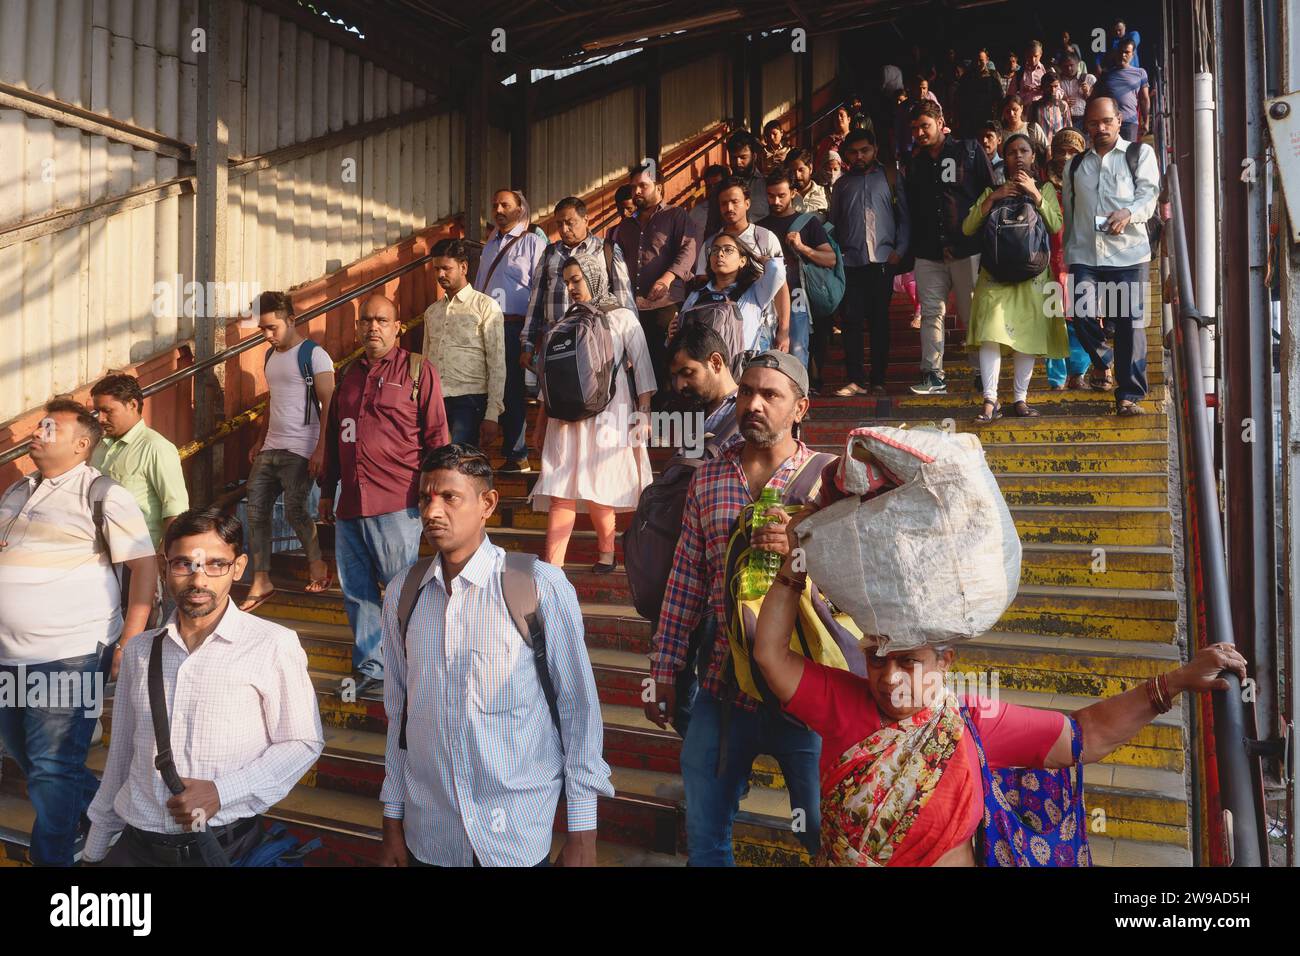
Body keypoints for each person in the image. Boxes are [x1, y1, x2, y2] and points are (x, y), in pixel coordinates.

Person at [751, 509, 1250, 866]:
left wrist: (1178, 680)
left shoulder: (971, 721)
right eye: (877, 660)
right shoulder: (842, 701)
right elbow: (770, 655)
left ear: (946, 661)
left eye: (909, 662)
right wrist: (795, 566)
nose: (889, 678)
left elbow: (1086, 735)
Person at [377, 443, 614, 867]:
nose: (432, 511)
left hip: (515, 834)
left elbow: (579, 711)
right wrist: (392, 822)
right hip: (430, 834)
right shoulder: (402, 594)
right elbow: (400, 717)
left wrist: (583, 835)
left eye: (450, 497)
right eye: (424, 497)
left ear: (487, 503)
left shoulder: (538, 585)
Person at [647, 351, 828, 866]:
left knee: (820, 829)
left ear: (800, 408)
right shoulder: (709, 479)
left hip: (806, 695)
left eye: (771, 395)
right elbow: (686, 579)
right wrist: (664, 668)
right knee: (706, 833)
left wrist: (801, 558)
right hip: (724, 689)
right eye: (747, 391)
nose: (754, 403)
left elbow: (853, 596)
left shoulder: (826, 483)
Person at [83, 508, 324, 866]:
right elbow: (120, 757)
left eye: (215, 564)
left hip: (220, 848)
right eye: (184, 564)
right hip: (136, 847)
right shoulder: (140, 651)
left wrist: (221, 792)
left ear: (238, 566)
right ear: (165, 568)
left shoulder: (272, 644)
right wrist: (94, 851)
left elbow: (302, 741)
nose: (199, 580)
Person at [0, 399, 157, 866]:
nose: (39, 432)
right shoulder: (15, 490)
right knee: (29, 755)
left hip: (70, 651)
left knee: (50, 769)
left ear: (82, 444)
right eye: (39, 424)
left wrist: (130, 637)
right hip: (9, 654)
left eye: (52, 428)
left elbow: (144, 565)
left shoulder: (104, 493)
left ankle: (57, 862)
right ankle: (109, 812)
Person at [320, 293, 450, 692]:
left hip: (397, 503)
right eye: (365, 321)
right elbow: (334, 438)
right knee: (357, 593)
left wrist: (437, 496)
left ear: (397, 327)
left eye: (381, 320)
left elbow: (436, 438)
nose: (372, 327)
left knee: (400, 592)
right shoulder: (349, 376)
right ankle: (372, 668)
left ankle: (415, 670)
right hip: (350, 504)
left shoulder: (417, 371)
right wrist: (328, 490)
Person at [529, 253, 656, 571]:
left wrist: (645, 413)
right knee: (561, 490)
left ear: (595, 276)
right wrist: (540, 424)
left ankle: (606, 553)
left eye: (577, 279)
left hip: (609, 415)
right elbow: (549, 380)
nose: (572, 287)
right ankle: (552, 566)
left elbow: (642, 369)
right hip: (565, 420)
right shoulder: (564, 322)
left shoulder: (623, 317)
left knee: (600, 485)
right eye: (567, 282)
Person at [1063, 96, 1160, 416]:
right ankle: (1103, 359)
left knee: (1130, 322)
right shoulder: (1075, 164)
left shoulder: (1139, 153)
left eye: (1106, 121)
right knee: (1081, 312)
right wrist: (1068, 253)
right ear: (1085, 126)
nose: (1100, 128)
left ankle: (1129, 395)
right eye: (1093, 123)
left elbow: (1149, 195)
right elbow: (1069, 209)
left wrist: (1129, 212)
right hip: (1085, 252)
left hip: (1129, 253)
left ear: (1120, 120)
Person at [962, 132, 1068, 422]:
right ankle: (989, 400)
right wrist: (994, 197)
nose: (1018, 156)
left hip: (1033, 275)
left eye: (1024, 150)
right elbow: (968, 228)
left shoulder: (1045, 188)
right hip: (994, 276)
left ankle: (1020, 399)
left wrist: (1034, 193)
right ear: (1004, 158)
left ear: (1033, 156)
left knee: (1028, 337)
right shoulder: (991, 190)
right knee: (989, 335)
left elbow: (1056, 225)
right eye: (1011, 152)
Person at [241, 291, 335, 610]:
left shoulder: (314, 355)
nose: (267, 336)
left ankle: (317, 565)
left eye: (272, 328)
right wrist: (258, 439)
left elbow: (329, 404)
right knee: (255, 511)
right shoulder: (271, 356)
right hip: (271, 446)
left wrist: (321, 449)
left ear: (291, 320)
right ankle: (261, 579)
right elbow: (273, 399)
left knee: (295, 509)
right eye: (262, 330)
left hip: (302, 446)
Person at [903, 100, 996, 395]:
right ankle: (933, 375)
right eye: (915, 128)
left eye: (924, 126)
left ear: (940, 121)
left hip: (967, 248)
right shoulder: (914, 163)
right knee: (931, 312)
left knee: (972, 315)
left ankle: (983, 374)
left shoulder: (967, 150)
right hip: (928, 251)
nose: (919, 132)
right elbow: (913, 209)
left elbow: (990, 193)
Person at [827, 128, 910, 396]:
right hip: (850, 263)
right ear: (845, 155)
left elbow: (905, 218)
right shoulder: (841, 185)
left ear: (874, 149)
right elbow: (834, 222)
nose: (859, 156)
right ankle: (855, 379)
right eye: (853, 152)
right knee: (850, 321)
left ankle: (878, 380)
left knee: (879, 321)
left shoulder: (890, 177)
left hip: (883, 261)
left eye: (864, 150)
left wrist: (900, 250)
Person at [612, 160, 701, 401]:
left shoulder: (676, 215)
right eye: (633, 188)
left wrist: (667, 277)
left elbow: (689, 249)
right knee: (638, 368)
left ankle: (669, 429)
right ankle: (645, 427)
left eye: (643, 185)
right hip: (632, 309)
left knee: (668, 366)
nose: (637, 191)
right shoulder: (624, 227)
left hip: (666, 305)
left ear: (659, 187)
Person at [475, 188, 546, 473]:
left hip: (516, 326)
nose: (499, 210)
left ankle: (517, 455)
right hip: (488, 326)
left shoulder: (532, 243)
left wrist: (535, 333)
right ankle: (488, 452)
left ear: (521, 209)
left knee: (511, 389)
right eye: (495, 205)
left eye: (505, 204)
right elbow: (480, 286)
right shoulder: (490, 245)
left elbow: (541, 289)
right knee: (490, 388)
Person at [89, 374, 189, 553]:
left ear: (132, 405)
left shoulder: (155, 447)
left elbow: (176, 507)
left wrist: (163, 554)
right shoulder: (99, 446)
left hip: (138, 554)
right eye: (98, 411)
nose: (100, 419)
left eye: (108, 411)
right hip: (99, 552)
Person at [421, 238, 505, 447]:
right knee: (435, 464)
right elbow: (425, 362)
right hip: (434, 401)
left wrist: (492, 414)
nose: (440, 274)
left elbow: (497, 362)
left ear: (464, 267)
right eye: (437, 269)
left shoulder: (486, 306)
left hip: (470, 400)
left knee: (461, 467)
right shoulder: (432, 312)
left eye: (446, 268)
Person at [697, 177, 791, 353]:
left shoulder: (765, 238)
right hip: (718, 331)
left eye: (735, 202)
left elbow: (781, 286)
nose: (729, 208)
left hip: (760, 329)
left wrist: (784, 331)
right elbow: (702, 287)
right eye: (724, 203)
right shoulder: (710, 245)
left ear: (747, 203)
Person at [761, 168, 837, 370]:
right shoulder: (759, 227)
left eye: (781, 195)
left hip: (797, 295)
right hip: (766, 299)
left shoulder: (809, 222)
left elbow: (831, 259)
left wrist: (803, 248)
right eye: (771, 195)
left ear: (793, 193)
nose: (776, 201)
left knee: (797, 352)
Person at [680, 232, 787, 358]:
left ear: (742, 261)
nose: (720, 254)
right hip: (703, 366)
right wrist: (674, 332)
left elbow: (777, 271)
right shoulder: (698, 293)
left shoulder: (755, 291)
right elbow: (681, 332)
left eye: (728, 250)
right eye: (715, 250)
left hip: (742, 369)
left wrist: (760, 258)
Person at [1043, 128, 1093, 390]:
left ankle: (1079, 373)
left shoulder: (1092, 179)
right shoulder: (1043, 183)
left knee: (1083, 319)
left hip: (1084, 261)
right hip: (1051, 262)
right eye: (1060, 150)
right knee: (1055, 321)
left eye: (1072, 151)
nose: (1065, 156)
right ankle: (1056, 379)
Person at [1094, 41, 1150, 142]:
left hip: (1129, 122)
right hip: (1109, 121)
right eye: (1120, 52)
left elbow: (1144, 99)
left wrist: (1146, 122)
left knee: (1128, 155)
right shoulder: (1106, 74)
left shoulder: (1140, 73)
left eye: (1126, 52)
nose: (1122, 55)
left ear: (1132, 55)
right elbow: (1096, 97)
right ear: (1115, 53)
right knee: (1109, 155)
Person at [957, 48, 1006, 137]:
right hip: (969, 120)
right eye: (976, 60)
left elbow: (1000, 98)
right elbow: (959, 99)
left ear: (987, 60)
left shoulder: (993, 76)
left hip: (987, 118)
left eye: (981, 60)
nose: (978, 63)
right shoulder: (966, 77)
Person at [726, 130, 770, 220]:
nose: (738, 162)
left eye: (743, 157)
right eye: (734, 158)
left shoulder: (767, 184)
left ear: (754, 156)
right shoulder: (721, 188)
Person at [688, 164, 732, 243]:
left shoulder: (733, 210)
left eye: (716, 185)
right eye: (709, 186)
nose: (713, 189)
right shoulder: (697, 212)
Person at [784, 148, 828, 218]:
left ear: (810, 168)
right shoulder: (784, 196)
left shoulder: (825, 193)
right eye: (792, 171)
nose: (797, 175)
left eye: (801, 170)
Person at [1058, 54, 1096, 132]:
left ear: (1078, 63)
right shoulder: (1057, 81)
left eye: (1071, 65)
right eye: (1065, 66)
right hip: (1063, 120)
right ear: (1061, 67)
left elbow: (1097, 101)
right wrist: (1062, 102)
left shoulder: (1089, 78)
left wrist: (1087, 93)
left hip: (1084, 119)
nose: (1069, 68)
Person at [1029, 72, 1069, 140]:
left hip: (1059, 146)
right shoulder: (1034, 106)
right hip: (1041, 147)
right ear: (1042, 88)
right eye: (1049, 87)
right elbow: (1031, 130)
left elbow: (1068, 129)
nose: (1052, 90)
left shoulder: (1063, 105)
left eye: (1055, 86)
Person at [1007, 40, 1047, 106]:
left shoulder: (1046, 71)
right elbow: (1010, 95)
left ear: (1041, 54)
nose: (1033, 60)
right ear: (1026, 55)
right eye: (1030, 57)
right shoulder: (1019, 74)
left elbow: (1058, 92)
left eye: (1036, 56)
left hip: (1043, 109)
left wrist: (1044, 88)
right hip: (1025, 110)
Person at [815, 105, 852, 172]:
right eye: (836, 117)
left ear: (849, 119)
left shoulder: (856, 138)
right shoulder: (827, 141)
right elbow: (818, 164)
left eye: (841, 115)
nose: (838, 118)